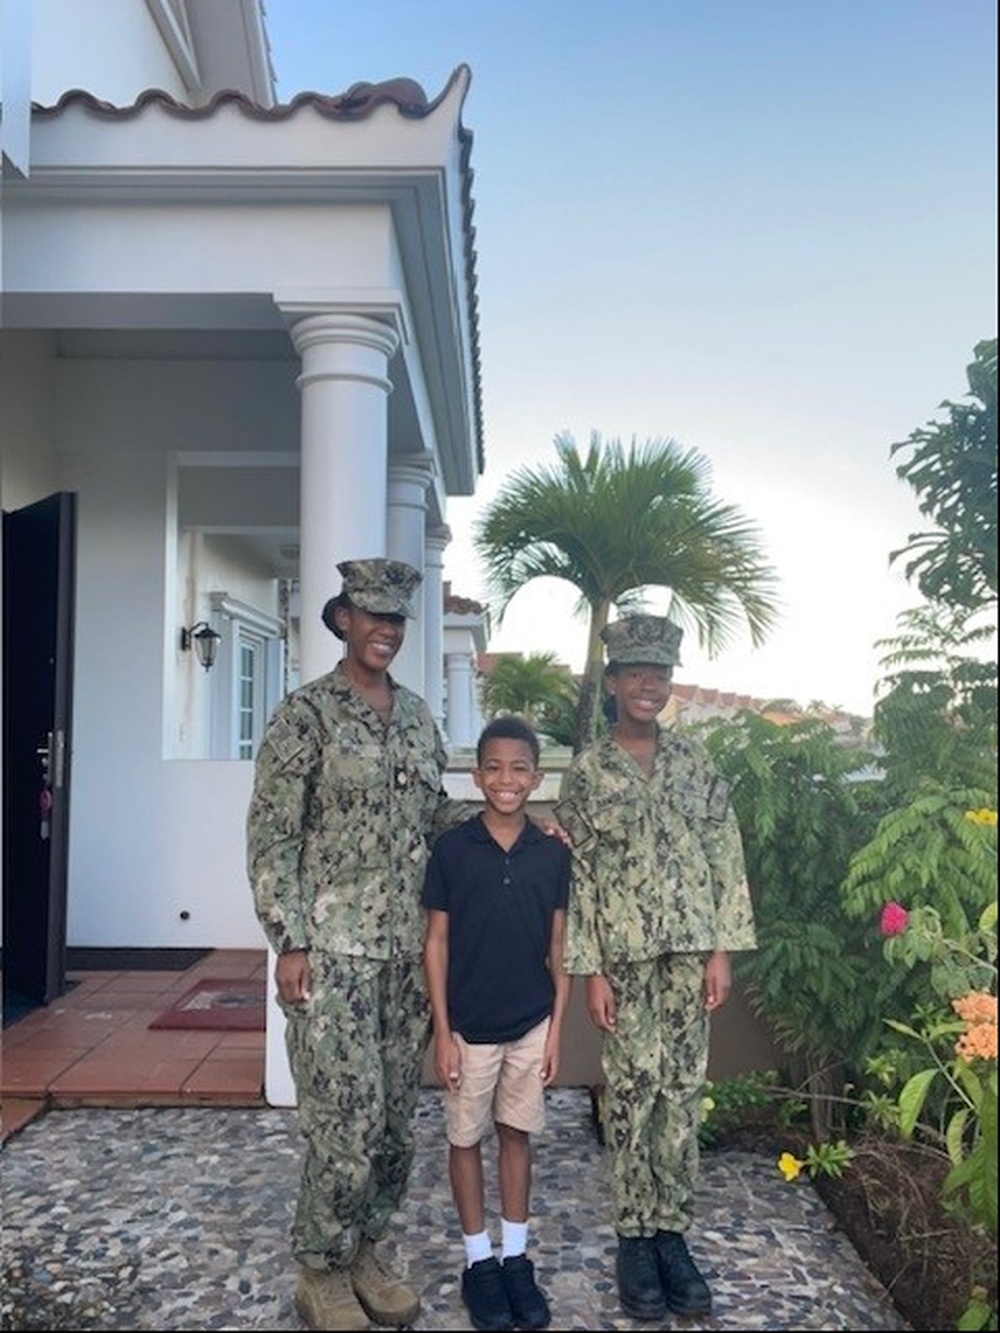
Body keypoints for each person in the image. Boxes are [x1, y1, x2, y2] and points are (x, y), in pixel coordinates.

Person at [246, 557, 469, 1333]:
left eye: (397, 619)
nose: (385, 630)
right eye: (372, 615)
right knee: (343, 1119)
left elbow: (433, 815)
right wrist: (291, 937)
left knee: (395, 1122)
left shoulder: (416, 717)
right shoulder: (303, 716)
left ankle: (368, 1248)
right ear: (342, 619)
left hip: (406, 951)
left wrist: (507, 829)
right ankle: (322, 1269)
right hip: (332, 949)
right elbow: (273, 838)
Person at [554, 614, 757, 1322]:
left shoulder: (696, 763)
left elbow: (722, 853)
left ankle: (674, 1232)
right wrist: (590, 970)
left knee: (680, 1093)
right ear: (612, 682)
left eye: (659, 673)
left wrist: (722, 948)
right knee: (633, 1095)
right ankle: (634, 1238)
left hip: (689, 955)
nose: (648, 684)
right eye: (635, 672)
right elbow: (577, 875)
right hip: (625, 959)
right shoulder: (588, 771)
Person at [423, 716, 571, 1332]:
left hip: (532, 1022)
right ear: (476, 775)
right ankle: (479, 1261)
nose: (506, 780)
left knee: (516, 1134)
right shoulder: (453, 849)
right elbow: (436, 941)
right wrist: (442, 1027)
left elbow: (560, 947)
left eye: (519, 769)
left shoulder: (552, 853)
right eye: (494, 767)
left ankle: (515, 1256)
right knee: (465, 1139)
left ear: (536, 778)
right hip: (469, 1027)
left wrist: (558, 1029)